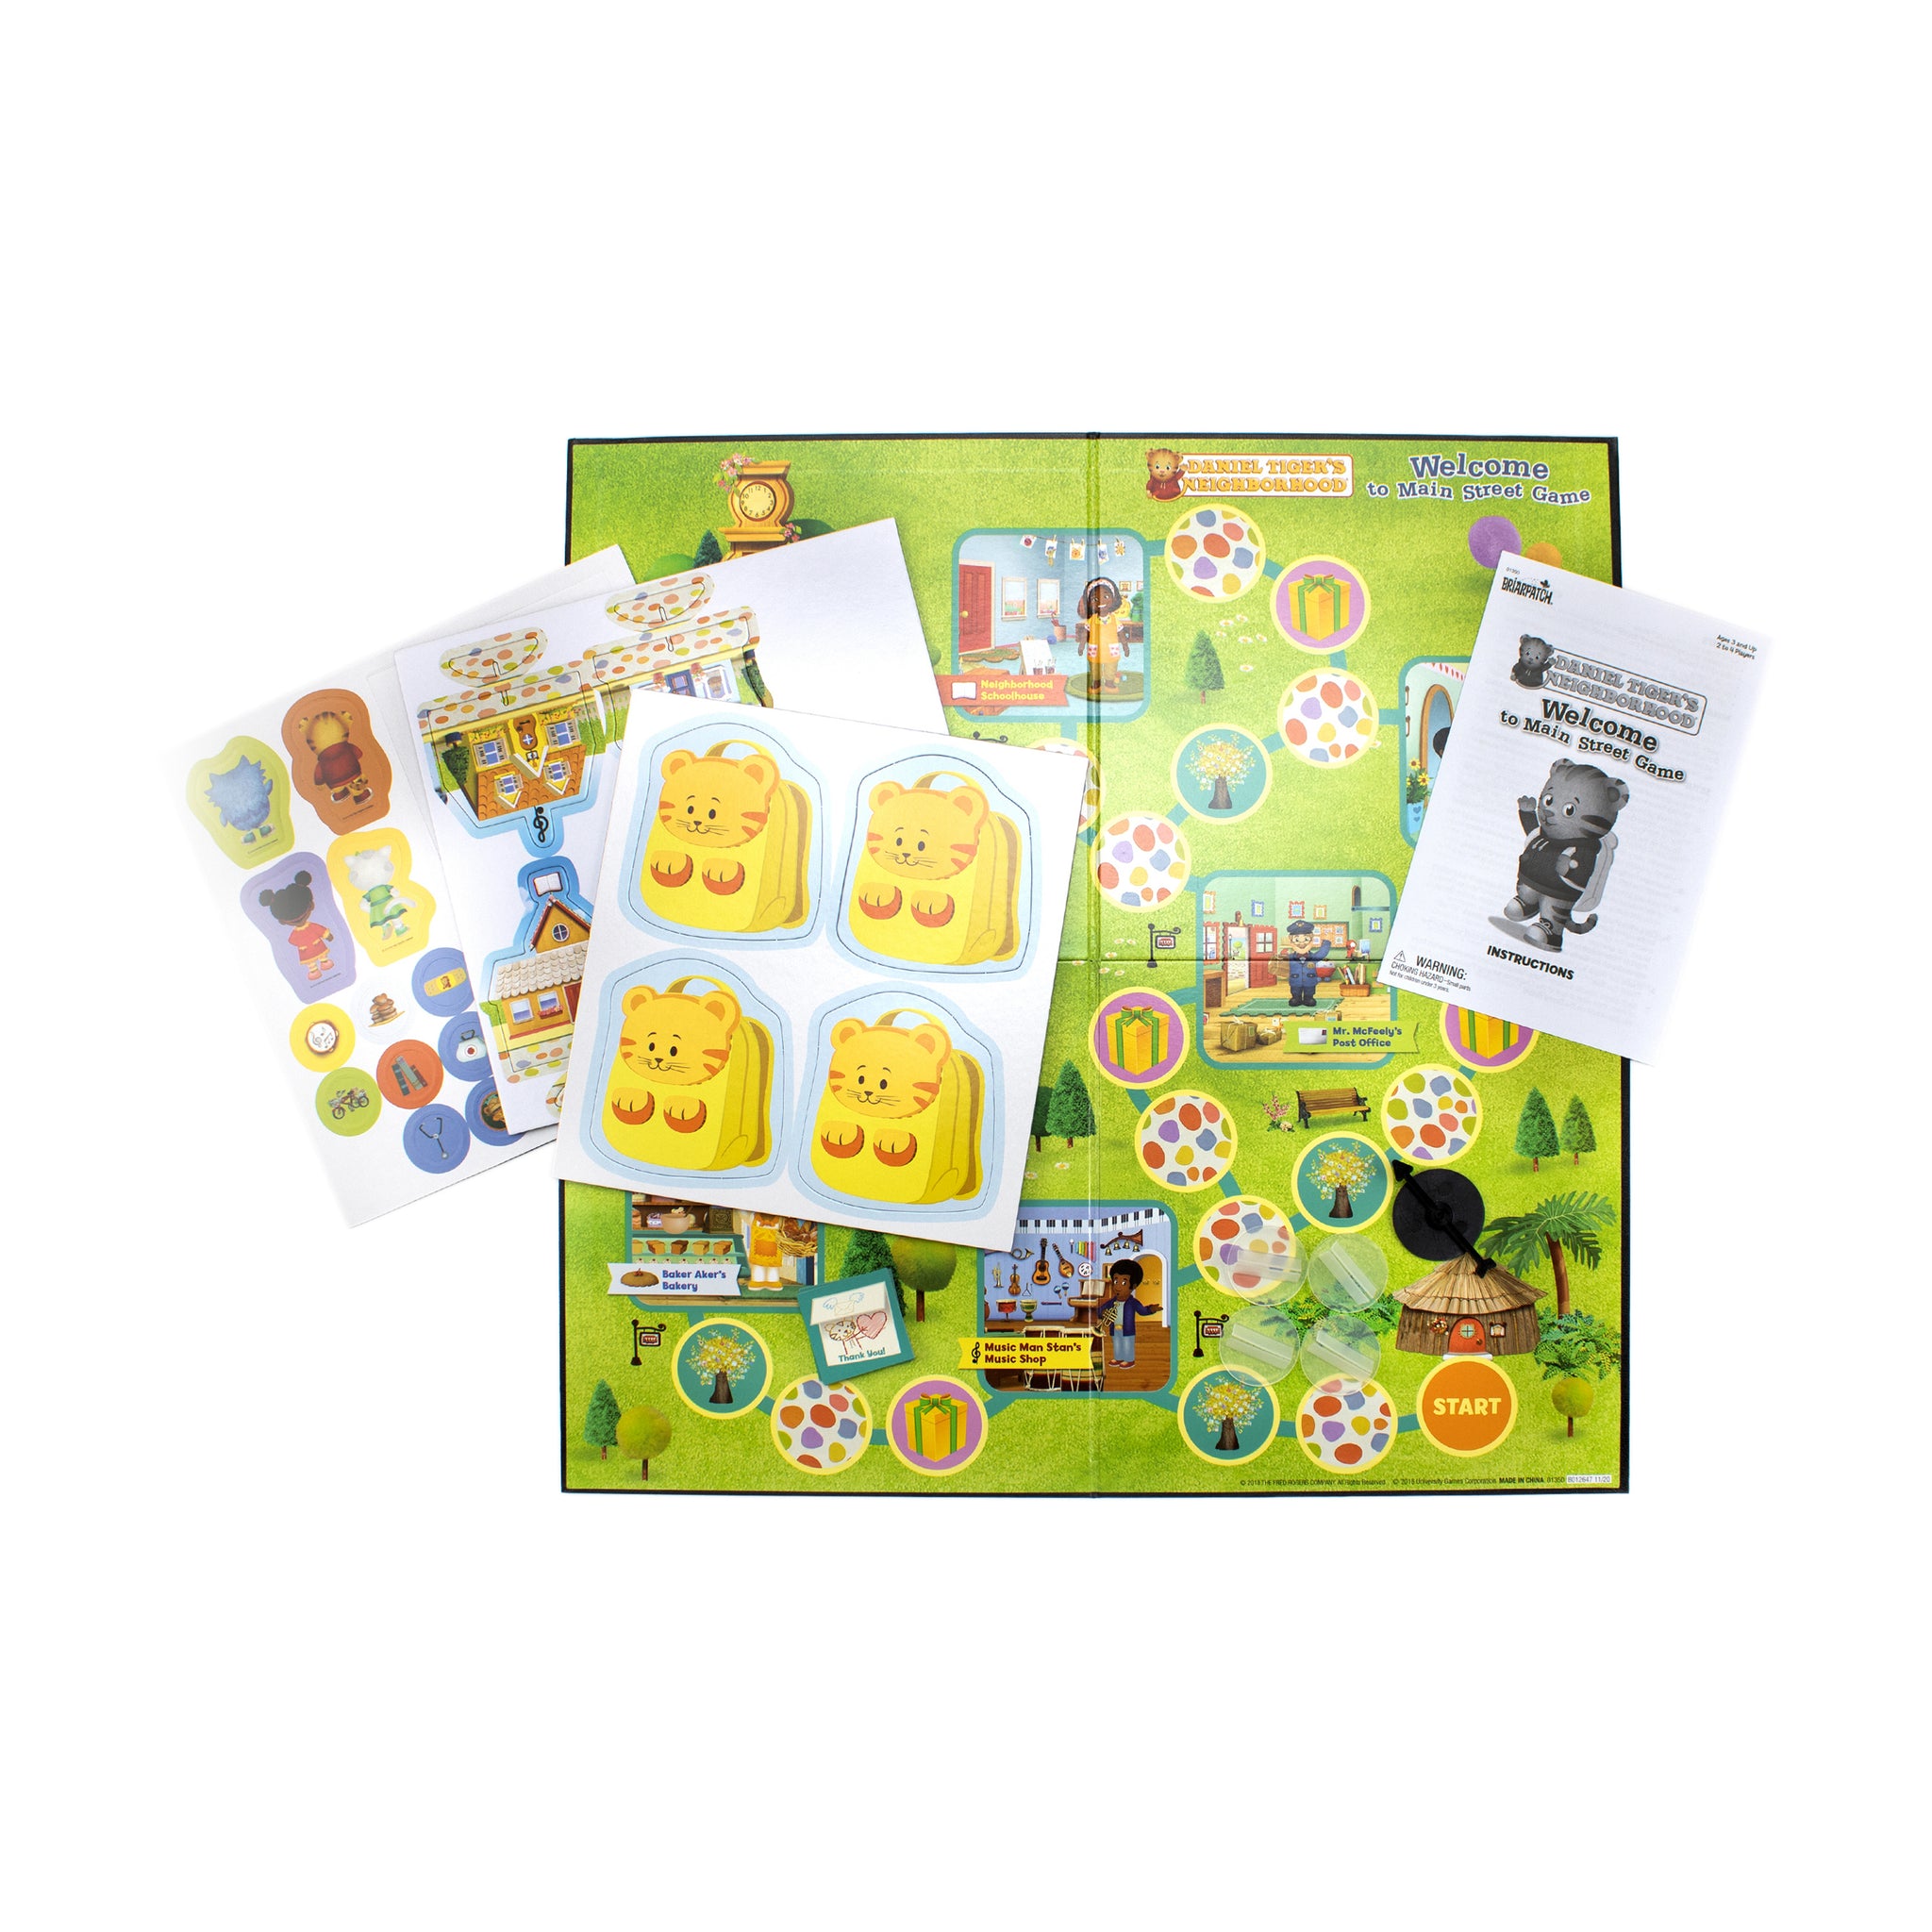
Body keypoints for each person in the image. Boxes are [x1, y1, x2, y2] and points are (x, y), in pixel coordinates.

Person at [1076, 578, 1131, 694]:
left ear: (1114, 599)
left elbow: (1121, 634)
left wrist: (1125, 646)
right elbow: (1085, 633)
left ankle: (1109, 682)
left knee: (1111, 667)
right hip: (1095, 650)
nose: (1101, 601)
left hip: (1111, 651)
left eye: (1106, 596)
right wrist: (1081, 646)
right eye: (1095, 599)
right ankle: (1096, 682)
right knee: (1095, 667)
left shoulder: (1115, 620)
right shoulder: (1091, 620)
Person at [1103, 1258, 1160, 1367]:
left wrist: (1151, 1309)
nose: (1118, 1286)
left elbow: (1142, 1311)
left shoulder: (1133, 1302)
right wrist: (1102, 1313)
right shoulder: (1112, 1302)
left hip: (1128, 1329)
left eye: (1124, 1283)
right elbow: (1101, 1309)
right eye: (1116, 1281)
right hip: (1114, 1328)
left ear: (1133, 1286)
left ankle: (1129, 1360)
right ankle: (1118, 1358)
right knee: (1117, 1343)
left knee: (1127, 1344)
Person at [1280, 918, 1331, 1008]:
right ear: (1291, 942)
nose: (1302, 944)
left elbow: (1322, 953)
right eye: (1297, 940)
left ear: (1311, 941)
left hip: (1310, 981)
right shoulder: (1290, 957)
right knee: (1295, 991)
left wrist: (1326, 942)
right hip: (1295, 981)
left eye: (1306, 939)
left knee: (1310, 991)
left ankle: (1308, 998)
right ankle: (1296, 998)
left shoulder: (1313, 957)